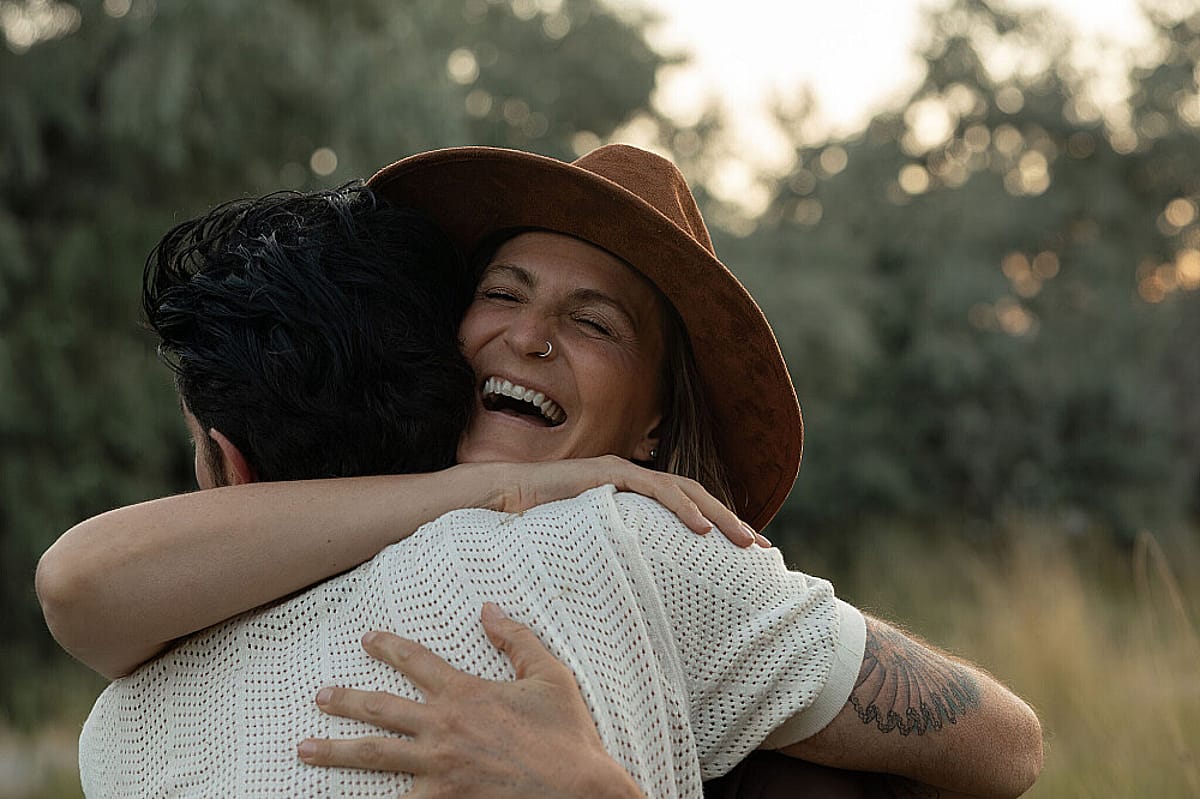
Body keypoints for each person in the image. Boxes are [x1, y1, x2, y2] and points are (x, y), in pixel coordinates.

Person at [38, 145, 1042, 798]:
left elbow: (1007, 743)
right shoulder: (602, 531)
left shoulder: (121, 725)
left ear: (653, 424)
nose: (529, 335)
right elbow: (77, 579)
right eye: (502, 293)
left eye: (594, 322)